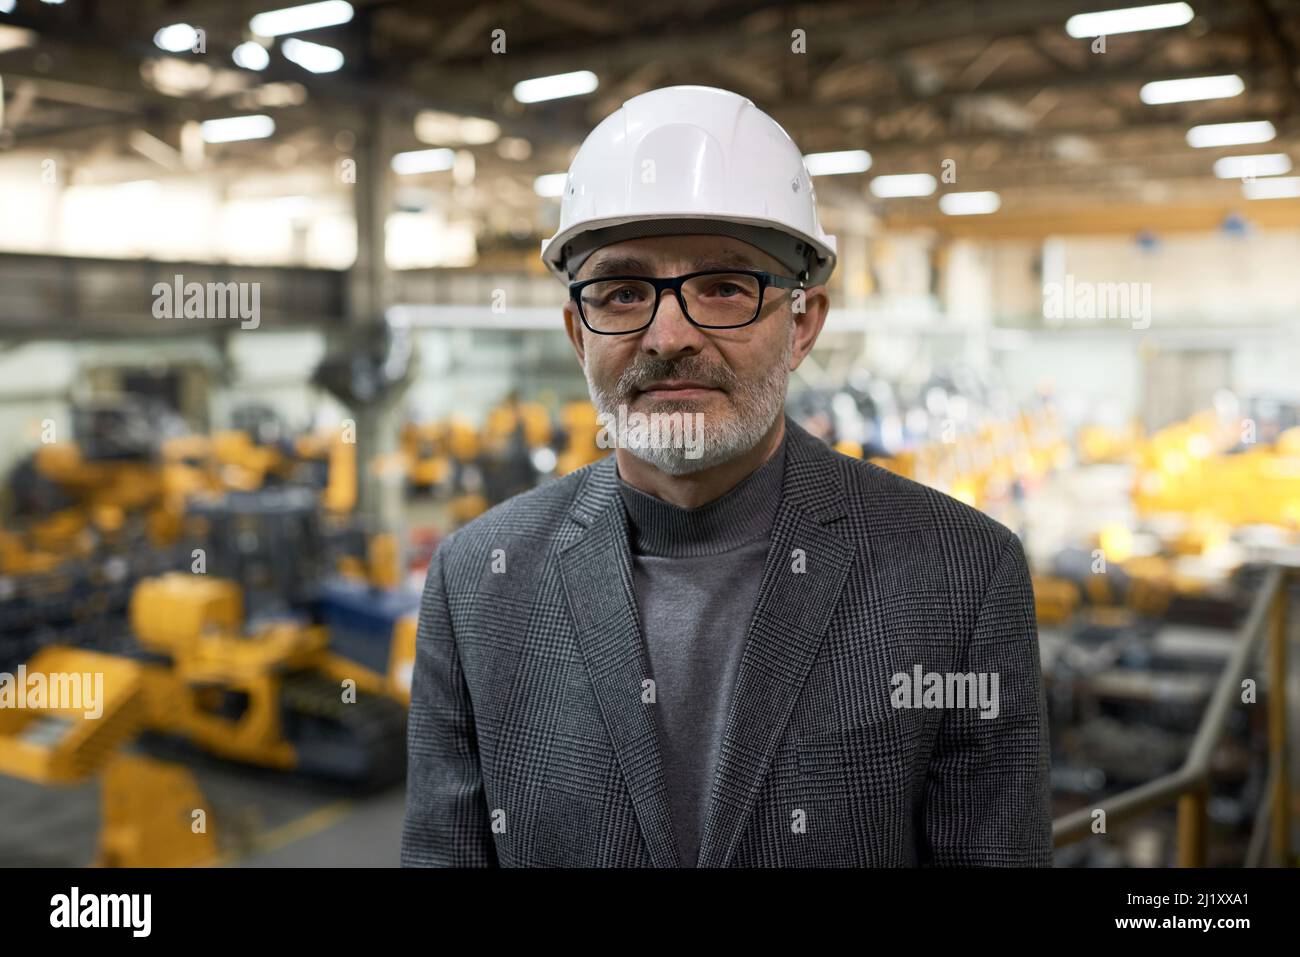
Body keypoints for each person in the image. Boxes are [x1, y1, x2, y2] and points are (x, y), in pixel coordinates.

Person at [402, 85, 1051, 867]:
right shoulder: (477, 583)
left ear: (802, 321)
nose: (668, 335)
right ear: (579, 332)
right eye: (622, 292)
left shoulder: (961, 577)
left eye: (723, 287)